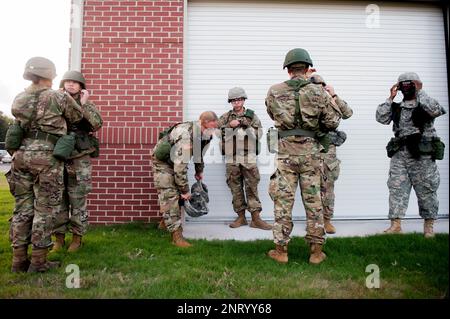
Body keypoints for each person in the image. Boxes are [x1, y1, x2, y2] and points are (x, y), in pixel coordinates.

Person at [7, 57, 86, 272]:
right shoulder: (58, 96)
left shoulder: (20, 97)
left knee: (22, 209)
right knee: (45, 209)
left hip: (22, 157)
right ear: (50, 75)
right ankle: (39, 262)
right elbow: (76, 116)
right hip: (47, 157)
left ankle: (18, 260)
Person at [265, 48, 341, 264]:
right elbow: (332, 122)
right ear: (307, 68)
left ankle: (281, 251)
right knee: (314, 202)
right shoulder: (318, 92)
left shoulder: (274, 91)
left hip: (286, 153)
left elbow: (272, 113)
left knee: (283, 202)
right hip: (311, 154)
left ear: (288, 69)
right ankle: (316, 252)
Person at [376, 72, 446, 238]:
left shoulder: (425, 104)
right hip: (400, 154)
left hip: (422, 155)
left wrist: (420, 91)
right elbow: (381, 118)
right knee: (396, 188)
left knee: (427, 189)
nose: (406, 87)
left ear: (416, 84)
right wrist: (390, 98)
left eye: (410, 84)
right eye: (403, 84)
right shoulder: (397, 107)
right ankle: (396, 225)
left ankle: (429, 227)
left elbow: (436, 110)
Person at [51, 71, 103, 252]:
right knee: (57, 198)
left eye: (76, 82)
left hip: (79, 158)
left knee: (78, 199)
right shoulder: (55, 101)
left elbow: (96, 124)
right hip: (57, 156)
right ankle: (58, 239)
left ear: (82, 87)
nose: (71, 85)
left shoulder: (88, 105)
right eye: (68, 82)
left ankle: (77, 238)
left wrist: (84, 104)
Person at [151, 111, 219, 247]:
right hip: (163, 163)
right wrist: (185, 190)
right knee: (171, 195)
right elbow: (180, 168)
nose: (212, 133)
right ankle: (177, 236)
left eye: (214, 129)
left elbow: (199, 154)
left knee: (180, 193)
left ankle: (165, 223)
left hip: (176, 162)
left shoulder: (204, 136)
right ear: (202, 123)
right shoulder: (186, 136)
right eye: (210, 129)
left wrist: (199, 171)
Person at [218, 87, 271, 230]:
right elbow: (217, 132)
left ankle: (256, 218)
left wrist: (248, 127)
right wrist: (230, 125)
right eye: (234, 100)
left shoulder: (251, 116)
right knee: (235, 187)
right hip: (232, 157)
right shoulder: (225, 117)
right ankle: (241, 217)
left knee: (252, 186)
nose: (237, 102)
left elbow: (259, 134)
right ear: (230, 102)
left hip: (248, 156)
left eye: (239, 99)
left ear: (243, 100)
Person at [309, 74, 353, 234]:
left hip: (328, 152)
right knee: (311, 188)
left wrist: (333, 94)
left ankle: (327, 220)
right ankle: (314, 221)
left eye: (322, 85)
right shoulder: (307, 101)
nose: (319, 89)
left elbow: (347, 113)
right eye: (316, 86)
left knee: (328, 188)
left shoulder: (331, 101)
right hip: (310, 149)